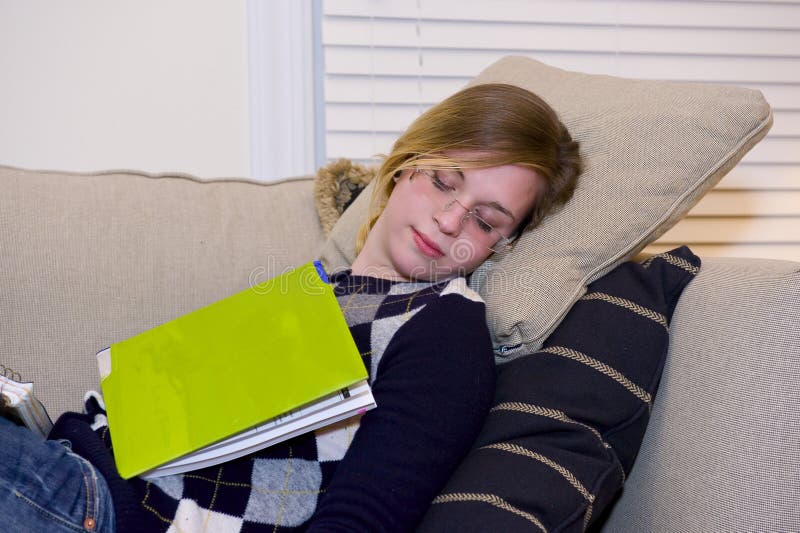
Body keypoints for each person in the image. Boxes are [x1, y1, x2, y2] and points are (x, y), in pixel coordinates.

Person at [0, 83, 581, 532]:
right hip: (71, 464)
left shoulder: (445, 326)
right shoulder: (311, 290)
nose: (451, 220)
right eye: (444, 181)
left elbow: (363, 520)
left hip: (113, 511)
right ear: (405, 165)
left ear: (500, 245)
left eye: (485, 219)